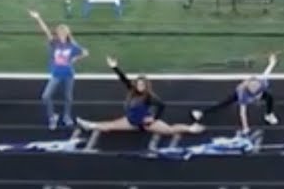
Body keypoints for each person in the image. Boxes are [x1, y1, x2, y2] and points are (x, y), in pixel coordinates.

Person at [75, 57, 203, 136]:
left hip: (146, 123)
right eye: (138, 84)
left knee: (169, 130)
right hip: (132, 121)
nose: (140, 86)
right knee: (110, 126)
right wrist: (115, 67)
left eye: (142, 84)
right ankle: (89, 125)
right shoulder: (133, 90)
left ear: (146, 85)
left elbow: (162, 106)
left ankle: (190, 128)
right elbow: (124, 79)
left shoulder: (149, 96)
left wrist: (153, 119)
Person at [29, 9, 88, 129]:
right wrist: (38, 18)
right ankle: (52, 117)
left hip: (68, 74)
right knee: (46, 96)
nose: (61, 34)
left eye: (63, 32)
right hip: (56, 74)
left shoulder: (72, 46)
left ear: (67, 34)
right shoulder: (54, 43)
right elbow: (45, 31)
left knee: (68, 97)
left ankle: (67, 116)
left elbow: (85, 52)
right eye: (59, 32)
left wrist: (75, 59)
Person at [190, 54, 280, 132]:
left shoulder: (262, 82)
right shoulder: (243, 95)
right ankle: (201, 113)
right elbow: (242, 113)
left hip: (255, 94)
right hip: (240, 94)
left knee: (269, 97)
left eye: (256, 85)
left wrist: (272, 61)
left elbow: (267, 71)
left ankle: (268, 115)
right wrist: (245, 127)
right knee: (223, 104)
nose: (255, 86)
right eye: (253, 86)